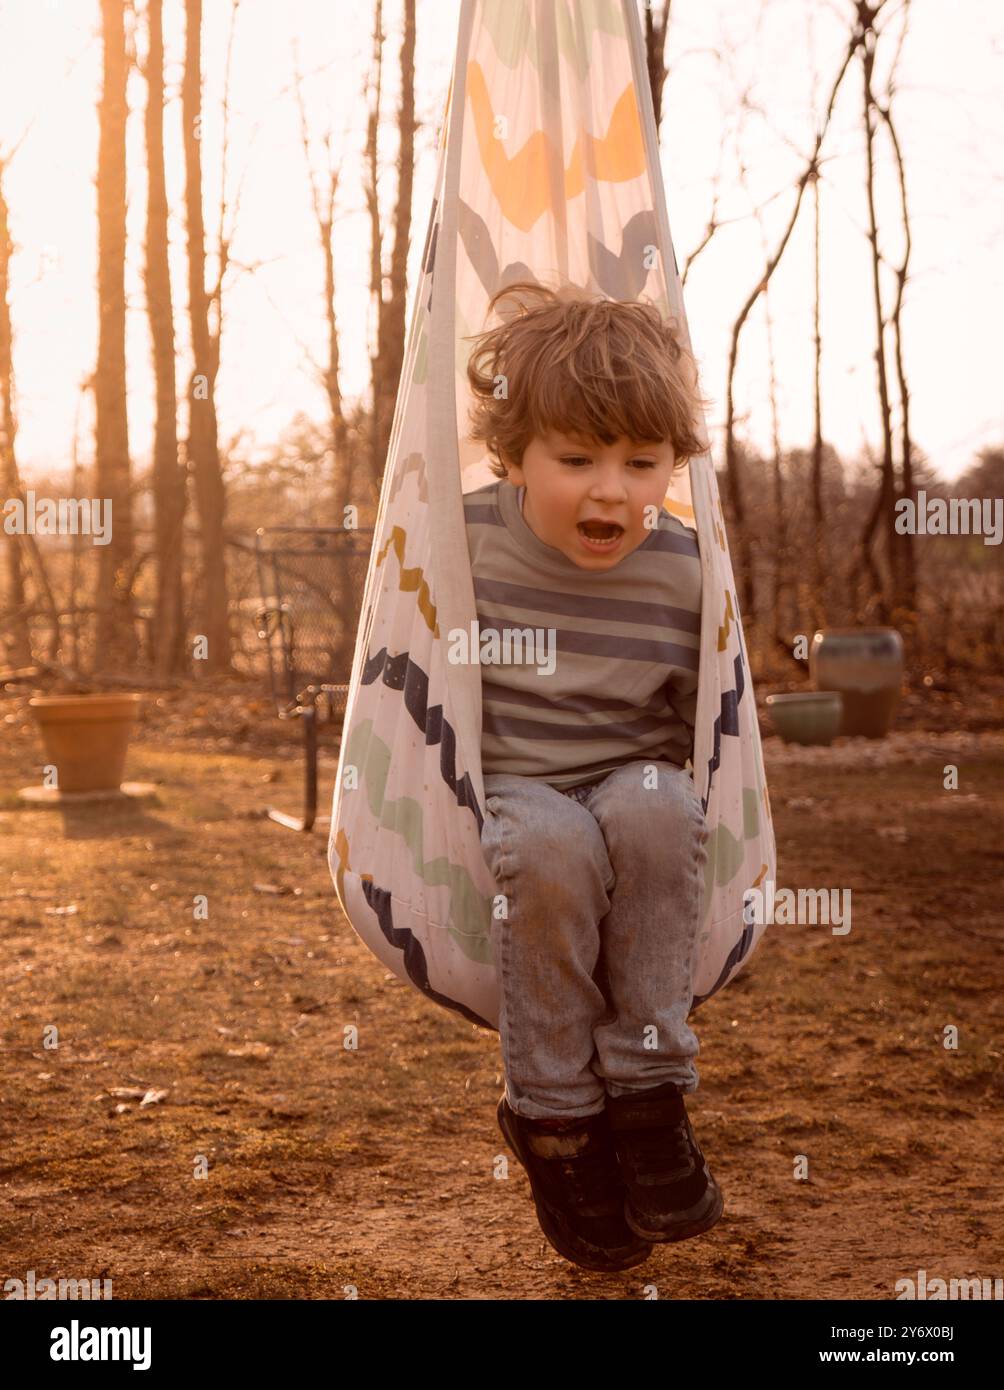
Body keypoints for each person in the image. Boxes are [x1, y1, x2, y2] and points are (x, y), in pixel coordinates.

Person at [462, 280, 722, 1272]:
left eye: (641, 462)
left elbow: (712, 722)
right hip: (516, 782)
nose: (609, 490)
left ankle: (648, 1090)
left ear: (672, 464)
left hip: (632, 773)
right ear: (514, 454)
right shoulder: (463, 544)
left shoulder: (687, 569)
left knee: (660, 813)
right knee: (550, 844)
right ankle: (555, 1115)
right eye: (574, 459)